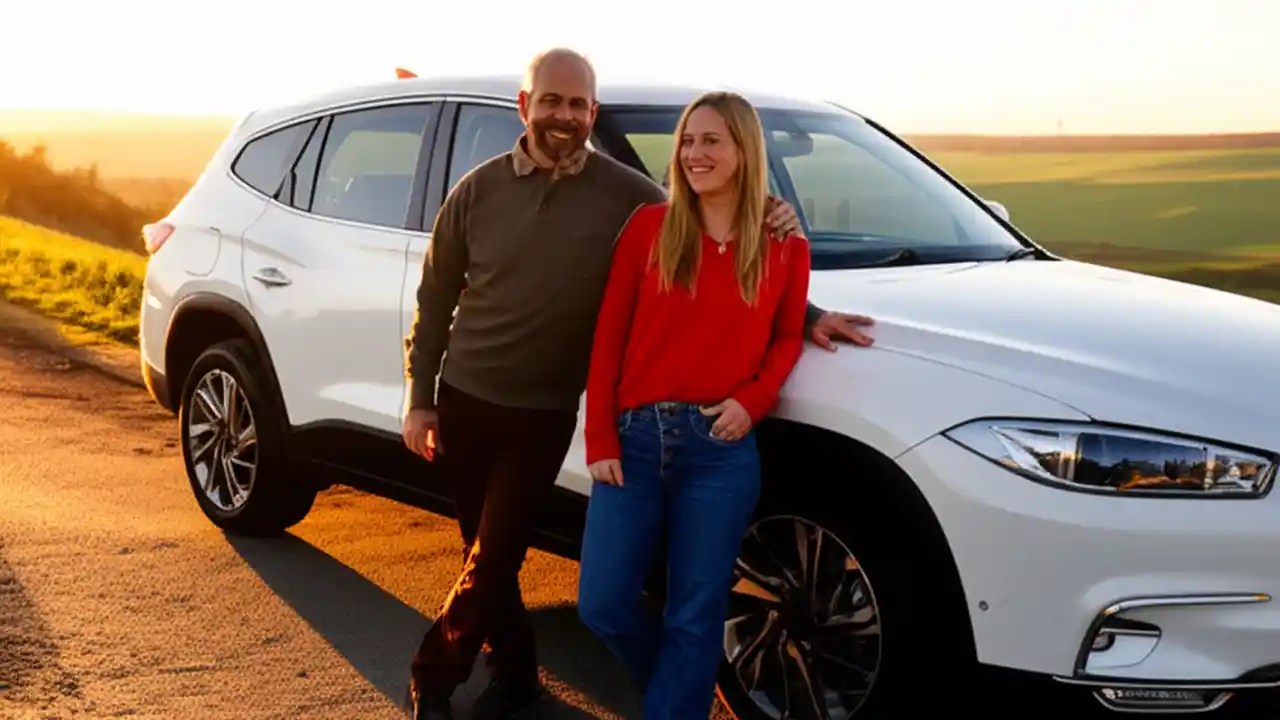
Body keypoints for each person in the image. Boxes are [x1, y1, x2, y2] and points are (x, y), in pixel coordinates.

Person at [401, 48, 872, 720]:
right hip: (469, 397)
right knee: (488, 555)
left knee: (498, 551)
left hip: (545, 409)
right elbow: (436, 293)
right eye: (551, 101)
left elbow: (724, 253)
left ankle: (433, 675)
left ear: (593, 112)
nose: (565, 115)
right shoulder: (480, 189)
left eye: (578, 105)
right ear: (524, 105)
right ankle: (517, 675)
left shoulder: (628, 194)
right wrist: (421, 397)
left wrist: (812, 312)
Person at [576, 91, 808, 719]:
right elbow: (609, 334)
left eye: (712, 140)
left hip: (721, 451)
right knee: (602, 603)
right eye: (687, 140)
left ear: (744, 149)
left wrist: (755, 401)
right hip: (634, 441)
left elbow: (788, 335)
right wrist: (599, 437)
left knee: (695, 615)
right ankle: (679, 691)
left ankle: (675, 701)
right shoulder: (651, 227)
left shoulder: (783, 240)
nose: (695, 153)